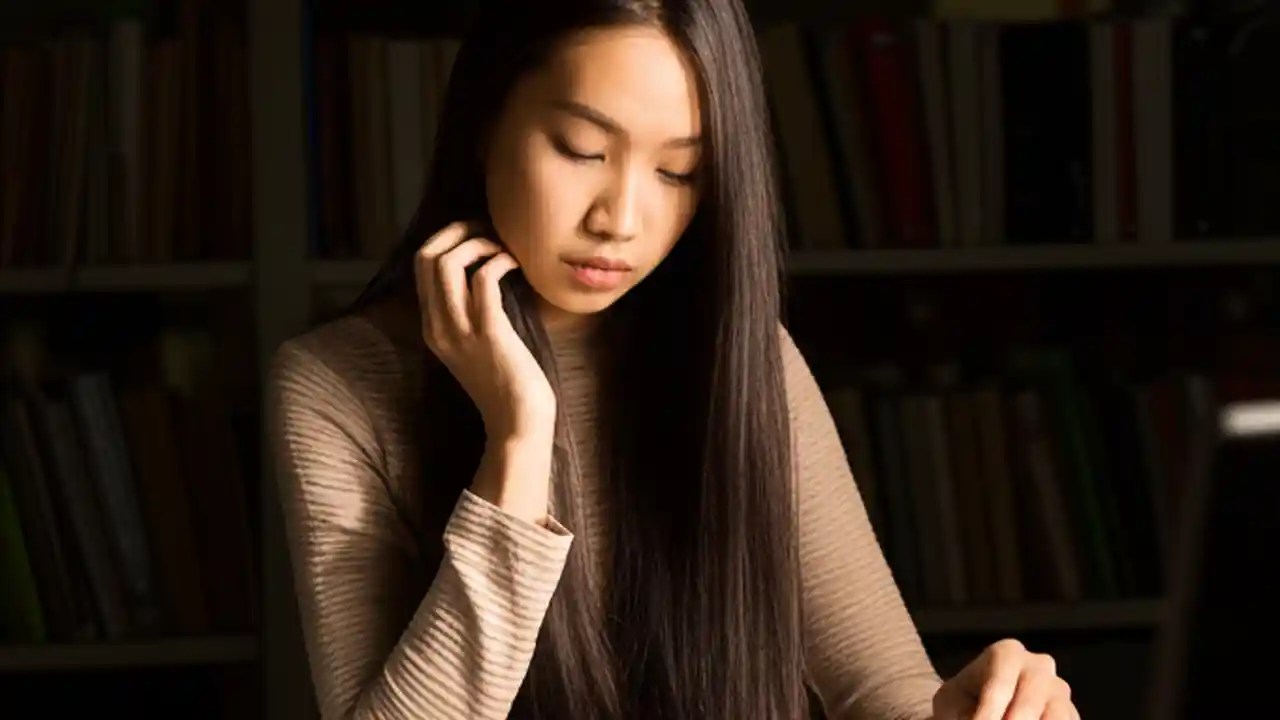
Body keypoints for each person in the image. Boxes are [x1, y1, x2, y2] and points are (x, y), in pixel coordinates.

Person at [268, 0, 1080, 718]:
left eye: (677, 171)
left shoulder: (743, 357)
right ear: (485, 120)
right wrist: (517, 443)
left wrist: (981, 706)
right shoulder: (337, 385)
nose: (621, 218)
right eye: (582, 149)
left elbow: (879, 690)